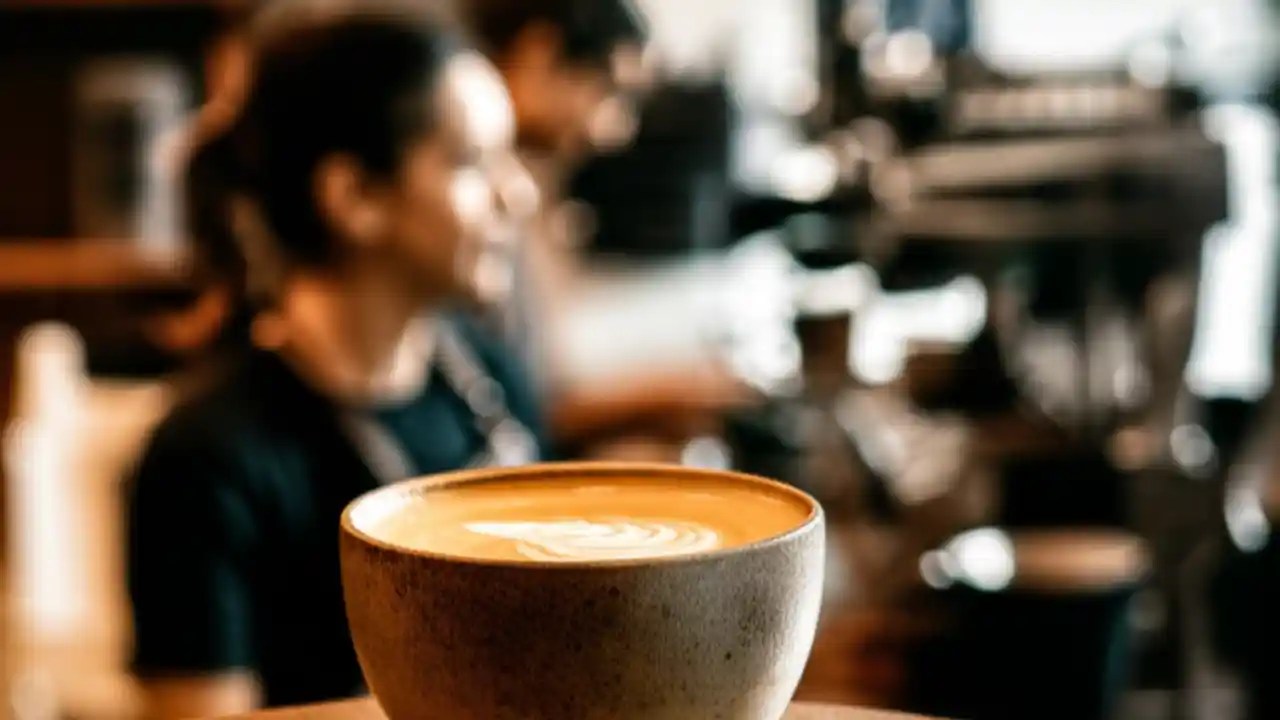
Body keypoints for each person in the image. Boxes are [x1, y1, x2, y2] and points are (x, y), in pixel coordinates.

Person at [126, 7, 542, 716]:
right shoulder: (207, 458)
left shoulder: (492, 382)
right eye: (473, 163)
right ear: (354, 198)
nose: (519, 193)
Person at [458, 0, 754, 458]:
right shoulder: (466, 219)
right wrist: (671, 397)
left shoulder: (513, 194)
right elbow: (515, 414)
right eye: (611, 92)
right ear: (539, 54)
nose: (614, 131)